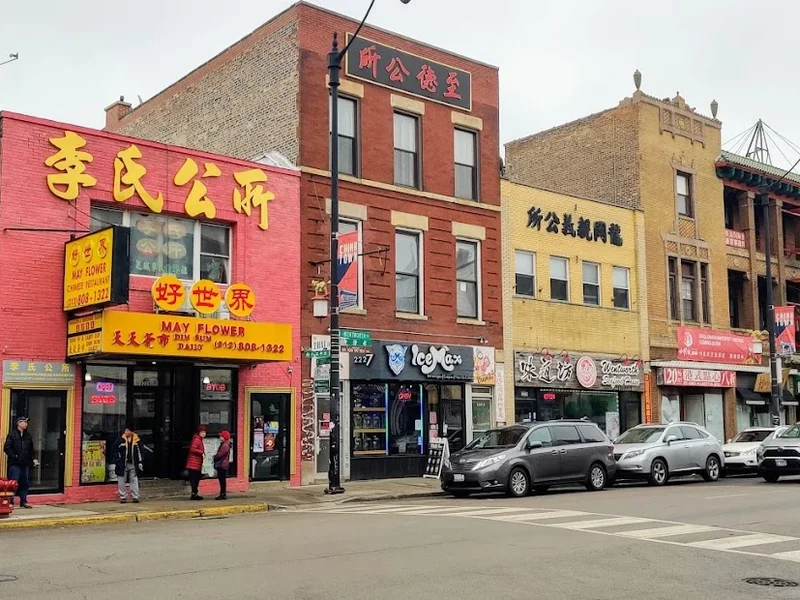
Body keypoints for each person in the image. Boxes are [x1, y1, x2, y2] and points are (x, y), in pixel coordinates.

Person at [3, 416, 37, 509]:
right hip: (15, 464)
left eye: (26, 422)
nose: (26, 424)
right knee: (13, 483)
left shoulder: (28, 435)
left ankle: (24, 501)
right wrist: (15, 456)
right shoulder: (12, 434)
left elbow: (31, 449)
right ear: (18, 423)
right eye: (24, 422)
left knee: (24, 483)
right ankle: (11, 502)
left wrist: (33, 459)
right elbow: (7, 448)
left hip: (25, 463)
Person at [113, 423, 143, 504]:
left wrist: (140, 462)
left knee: (134, 480)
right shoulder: (120, 439)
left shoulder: (137, 440)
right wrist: (118, 460)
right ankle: (123, 497)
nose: (126, 432)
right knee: (121, 480)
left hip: (133, 463)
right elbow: (114, 450)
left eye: (128, 430)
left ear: (132, 432)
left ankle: (135, 496)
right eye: (125, 430)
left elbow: (141, 451)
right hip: (122, 464)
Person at [186, 425, 206, 500]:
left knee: (196, 479)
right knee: (194, 479)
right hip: (193, 463)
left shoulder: (199, 439)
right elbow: (192, 449)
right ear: (199, 432)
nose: (204, 434)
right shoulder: (197, 439)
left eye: (204, 432)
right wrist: (201, 452)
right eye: (202, 432)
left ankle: (195, 493)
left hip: (197, 463)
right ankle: (194, 494)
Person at [213, 431, 231, 500]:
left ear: (224, 437)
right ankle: (223, 493)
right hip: (223, 464)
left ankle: (223, 494)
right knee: (222, 480)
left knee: (222, 480)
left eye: (221, 436)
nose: (220, 437)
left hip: (222, 464)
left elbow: (221, 454)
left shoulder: (225, 445)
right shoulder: (225, 444)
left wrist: (215, 456)